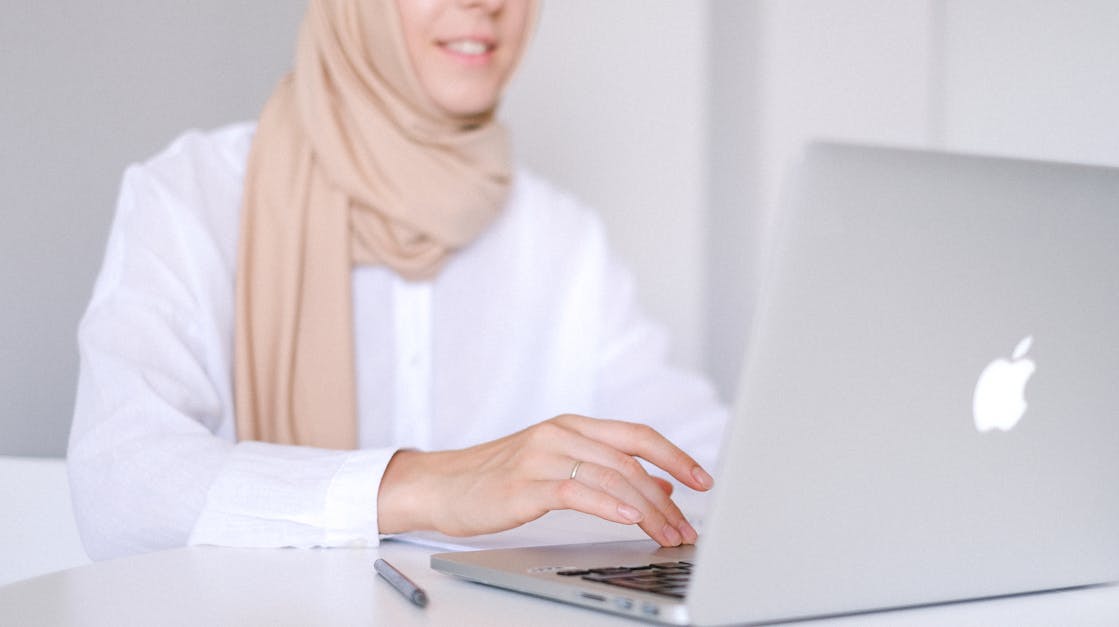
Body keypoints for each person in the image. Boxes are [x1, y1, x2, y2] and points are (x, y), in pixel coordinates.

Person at [68, 0, 726, 561]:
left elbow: (700, 457)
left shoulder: (562, 237)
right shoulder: (194, 194)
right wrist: (423, 486)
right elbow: (121, 479)